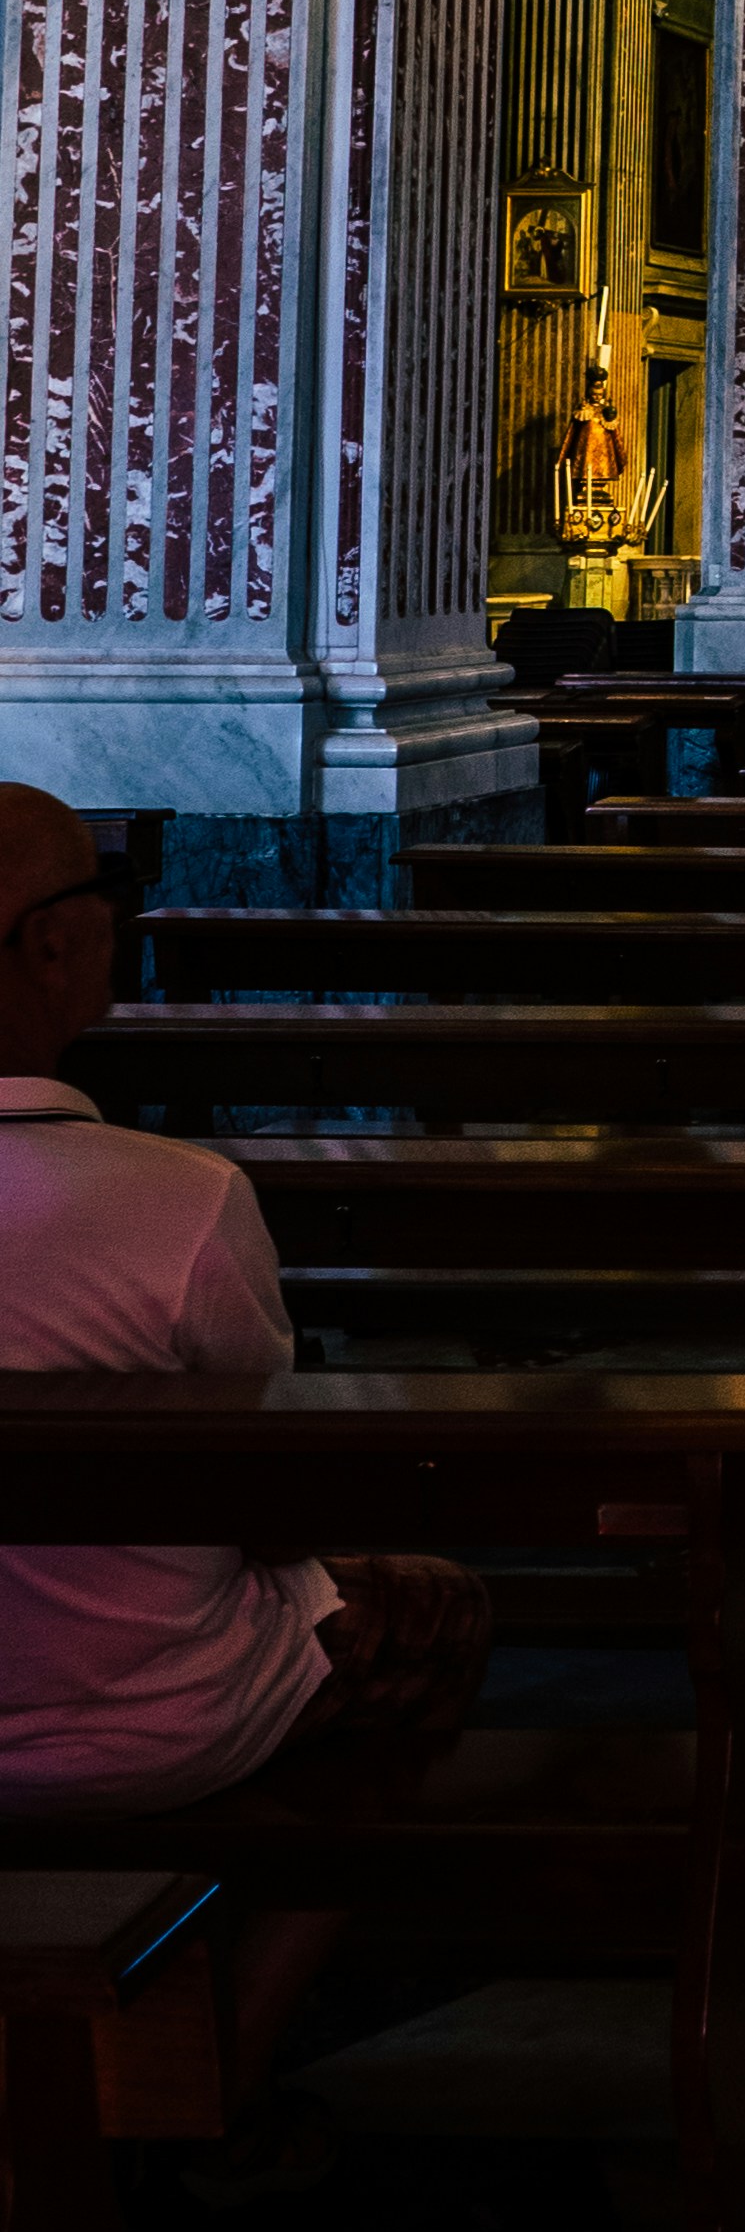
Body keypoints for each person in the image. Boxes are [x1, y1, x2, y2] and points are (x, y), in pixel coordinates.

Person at [0, 785, 490, 2099]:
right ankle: (221, 2059)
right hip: (157, 1724)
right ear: (53, 945)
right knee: (433, 1619)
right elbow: (272, 1503)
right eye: (104, 899)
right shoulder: (183, 1203)